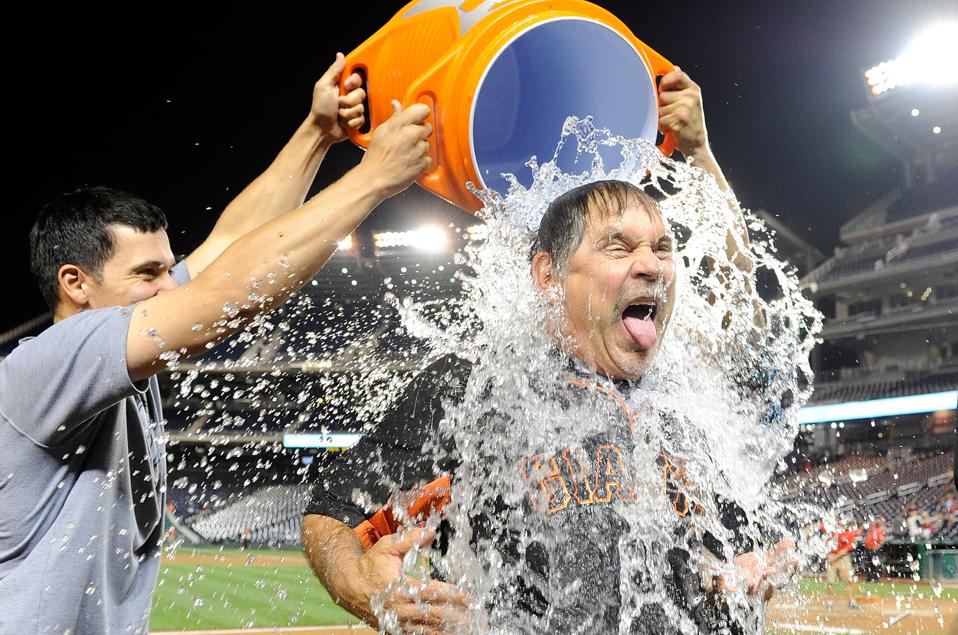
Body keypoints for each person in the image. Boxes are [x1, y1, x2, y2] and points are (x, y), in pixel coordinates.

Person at [302, 70, 796, 633]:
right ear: (549, 276)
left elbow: (743, 310)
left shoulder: (686, 399)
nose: (653, 266)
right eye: (619, 247)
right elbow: (331, 514)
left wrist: (755, 570)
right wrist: (356, 584)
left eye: (662, 249)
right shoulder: (477, 387)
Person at [0, 53, 433, 634]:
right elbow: (224, 297)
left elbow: (232, 242)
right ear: (74, 283)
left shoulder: (119, 349)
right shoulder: (47, 363)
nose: (168, 286)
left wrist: (316, 135)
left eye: (167, 270)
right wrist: (373, 179)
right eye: (147, 274)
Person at [824, 520, 863, 610]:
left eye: (843, 525)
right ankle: (829, 602)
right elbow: (826, 547)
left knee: (848, 580)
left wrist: (835, 560)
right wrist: (831, 558)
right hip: (831, 555)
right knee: (830, 581)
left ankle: (851, 601)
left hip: (843, 557)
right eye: (839, 524)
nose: (841, 526)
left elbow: (844, 551)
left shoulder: (849, 534)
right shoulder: (831, 534)